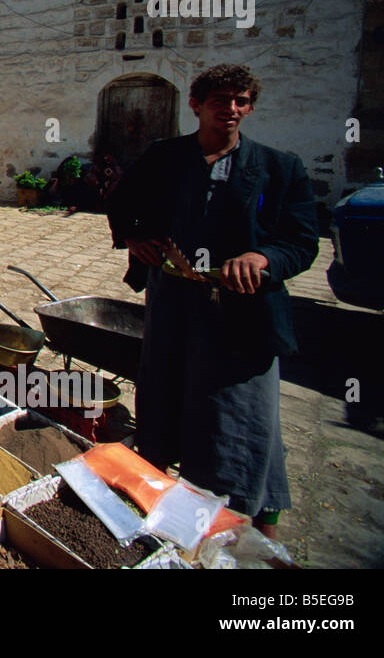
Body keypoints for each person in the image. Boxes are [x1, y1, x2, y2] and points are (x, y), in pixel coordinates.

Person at [106, 64, 318, 539]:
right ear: (197, 105)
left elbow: (302, 241)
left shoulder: (279, 168)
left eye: (242, 101)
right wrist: (135, 236)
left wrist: (262, 258)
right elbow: (124, 202)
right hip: (174, 303)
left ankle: (242, 525)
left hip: (242, 315)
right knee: (163, 397)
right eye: (222, 100)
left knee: (240, 417)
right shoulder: (166, 157)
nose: (232, 109)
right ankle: (157, 499)